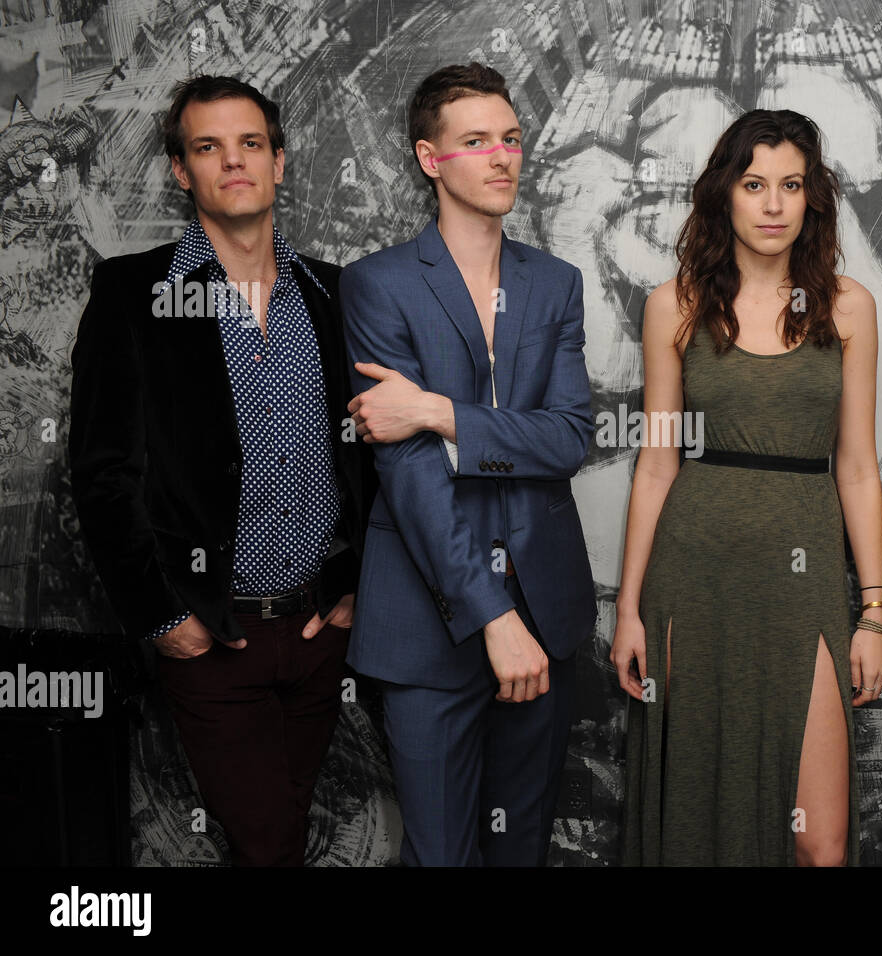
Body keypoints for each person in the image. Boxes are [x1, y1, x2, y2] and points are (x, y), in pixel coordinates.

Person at [68, 75, 373, 866]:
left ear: (280, 160)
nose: (232, 162)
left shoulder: (337, 294)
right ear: (181, 170)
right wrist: (166, 620)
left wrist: (353, 587)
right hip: (212, 634)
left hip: (318, 634)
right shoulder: (134, 294)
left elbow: (369, 454)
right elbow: (102, 477)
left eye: (250, 144)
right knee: (271, 847)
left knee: (280, 836)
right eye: (208, 147)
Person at [612, 109, 882, 866]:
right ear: (724, 197)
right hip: (693, 578)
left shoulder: (849, 307)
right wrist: (630, 608)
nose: (773, 204)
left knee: (821, 845)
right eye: (754, 183)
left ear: (812, 200)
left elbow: (858, 468)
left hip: (803, 587)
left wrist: (873, 612)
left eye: (791, 185)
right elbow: (657, 464)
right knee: (695, 820)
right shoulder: (674, 305)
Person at [339, 62, 597, 866]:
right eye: (476, 141)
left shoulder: (554, 284)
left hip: (547, 607)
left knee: (518, 851)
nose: (502, 157)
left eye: (512, 139)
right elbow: (410, 475)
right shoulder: (376, 284)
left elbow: (568, 438)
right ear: (429, 158)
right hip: (425, 620)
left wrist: (436, 410)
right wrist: (493, 617)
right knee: (442, 855)